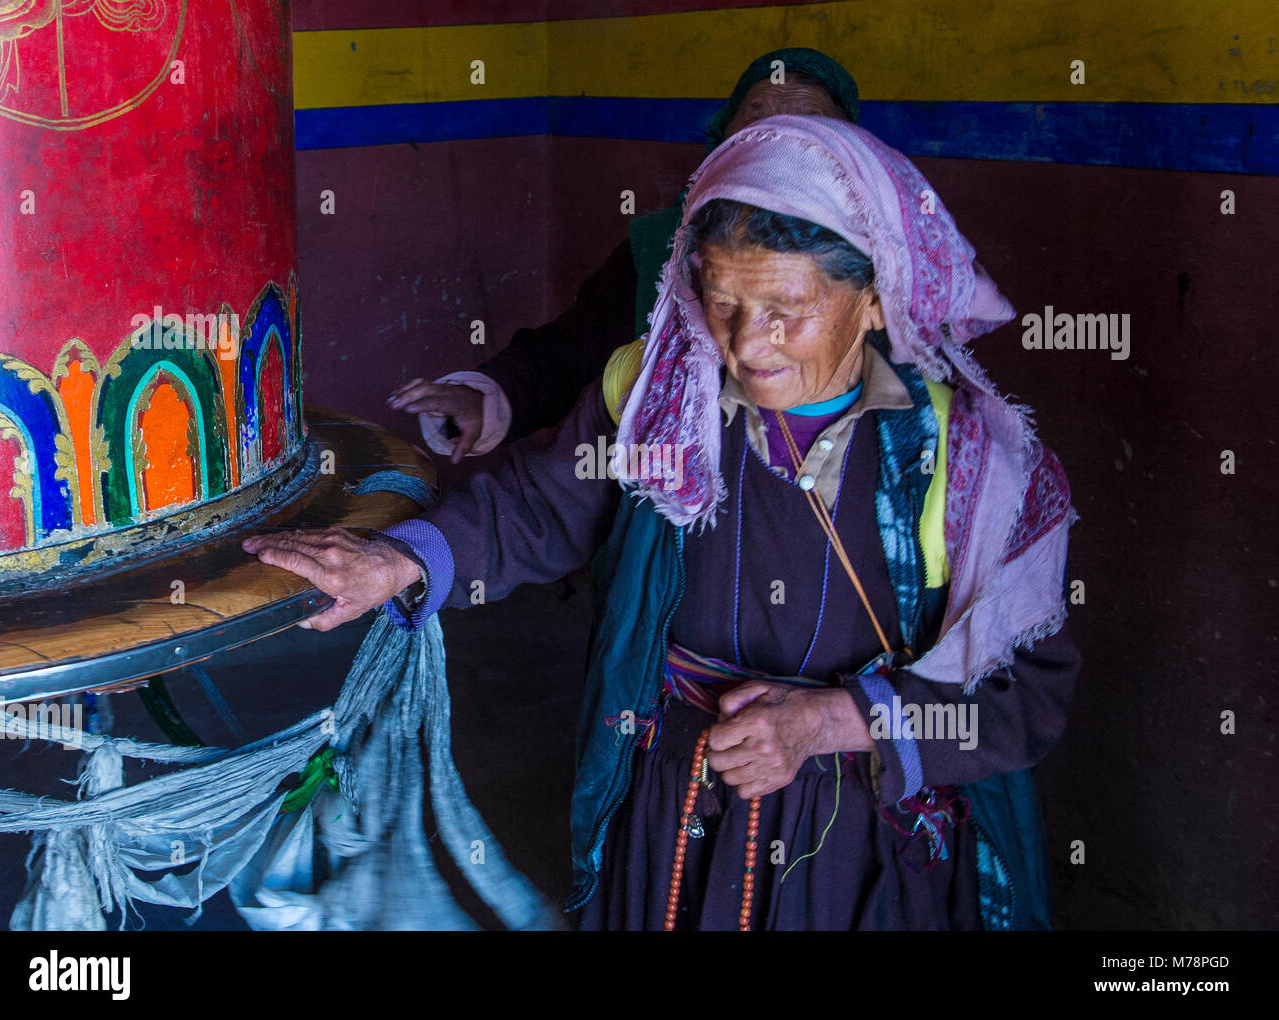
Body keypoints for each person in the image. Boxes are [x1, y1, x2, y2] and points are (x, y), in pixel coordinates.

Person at [244, 114, 1081, 930]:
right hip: (676, 799)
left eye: (788, 306)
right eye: (722, 302)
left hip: (860, 835)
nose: (752, 343)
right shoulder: (659, 398)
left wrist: (828, 723)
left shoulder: (968, 463)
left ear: (873, 299)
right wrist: (399, 562)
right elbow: (537, 509)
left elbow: (1025, 693)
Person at [386, 48, 862, 463]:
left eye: (804, 131)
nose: (776, 148)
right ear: (722, 143)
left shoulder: (873, 277)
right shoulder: (659, 248)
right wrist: (487, 397)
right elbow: (567, 356)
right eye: (756, 124)